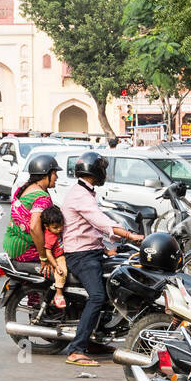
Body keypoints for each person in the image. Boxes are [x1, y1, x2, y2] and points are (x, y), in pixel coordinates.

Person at [59, 151, 143, 367]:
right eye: (102, 169)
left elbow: (93, 227)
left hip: (92, 250)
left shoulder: (86, 192)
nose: (104, 172)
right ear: (94, 171)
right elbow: (100, 221)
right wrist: (130, 235)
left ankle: (93, 340)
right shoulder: (80, 195)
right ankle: (76, 349)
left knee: (112, 286)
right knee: (97, 296)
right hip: (80, 255)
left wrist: (109, 247)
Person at [2, 152, 61, 264]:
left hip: (12, 242)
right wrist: (43, 258)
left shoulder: (23, 188)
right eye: (54, 173)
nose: (57, 177)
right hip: (25, 248)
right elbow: (34, 227)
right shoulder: (41, 197)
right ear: (45, 175)